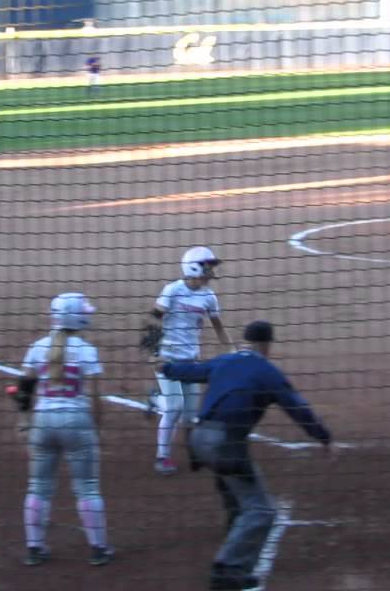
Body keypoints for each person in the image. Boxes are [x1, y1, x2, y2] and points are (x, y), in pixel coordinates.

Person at [154, 320, 332, 591]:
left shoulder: (226, 361)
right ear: (267, 345)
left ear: (246, 341)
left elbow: (190, 371)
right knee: (262, 510)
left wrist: (164, 366)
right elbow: (298, 409)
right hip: (225, 445)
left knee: (237, 498)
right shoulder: (268, 372)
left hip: (198, 439)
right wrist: (323, 437)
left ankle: (233, 539)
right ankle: (229, 569)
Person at [13, 292, 112, 567]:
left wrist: (23, 421)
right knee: (88, 488)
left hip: (43, 423)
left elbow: (23, 388)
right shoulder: (86, 350)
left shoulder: (37, 347)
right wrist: (98, 429)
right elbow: (95, 398)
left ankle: (34, 547)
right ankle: (99, 549)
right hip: (77, 421)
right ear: (75, 317)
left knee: (39, 487)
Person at [142, 246, 235, 476]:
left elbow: (219, 329)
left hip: (191, 362)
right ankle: (162, 458)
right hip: (168, 360)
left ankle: (193, 452)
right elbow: (153, 320)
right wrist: (154, 354)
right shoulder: (173, 290)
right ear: (193, 267)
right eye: (208, 266)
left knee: (191, 416)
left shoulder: (208, 297)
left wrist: (234, 353)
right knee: (174, 409)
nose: (212, 270)